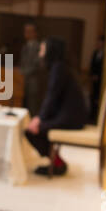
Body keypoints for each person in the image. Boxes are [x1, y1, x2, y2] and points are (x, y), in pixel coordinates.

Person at [24, 37, 89, 176]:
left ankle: (57, 164)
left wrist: (39, 119)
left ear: (50, 51)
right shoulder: (61, 66)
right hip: (72, 116)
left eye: (42, 50)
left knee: (31, 130)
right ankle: (56, 162)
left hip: (70, 118)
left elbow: (51, 97)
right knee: (36, 128)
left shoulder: (58, 68)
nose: (40, 54)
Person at [19, 22, 44, 116]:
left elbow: (36, 65)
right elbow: (22, 63)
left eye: (29, 31)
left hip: (33, 83)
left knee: (32, 109)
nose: (27, 33)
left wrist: (22, 72)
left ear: (35, 33)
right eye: (25, 31)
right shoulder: (25, 46)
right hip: (21, 83)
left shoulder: (39, 47)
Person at [88, 34, 105, 116]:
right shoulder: (95, 53)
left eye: (100, 43)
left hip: (101, 79)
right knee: (93, 96)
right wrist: (92, 75)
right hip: (94, 78)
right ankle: (92, 114)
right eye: (98, 42)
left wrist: (99, 76)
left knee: (99, 97)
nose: (98, 44)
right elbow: (92, 65)